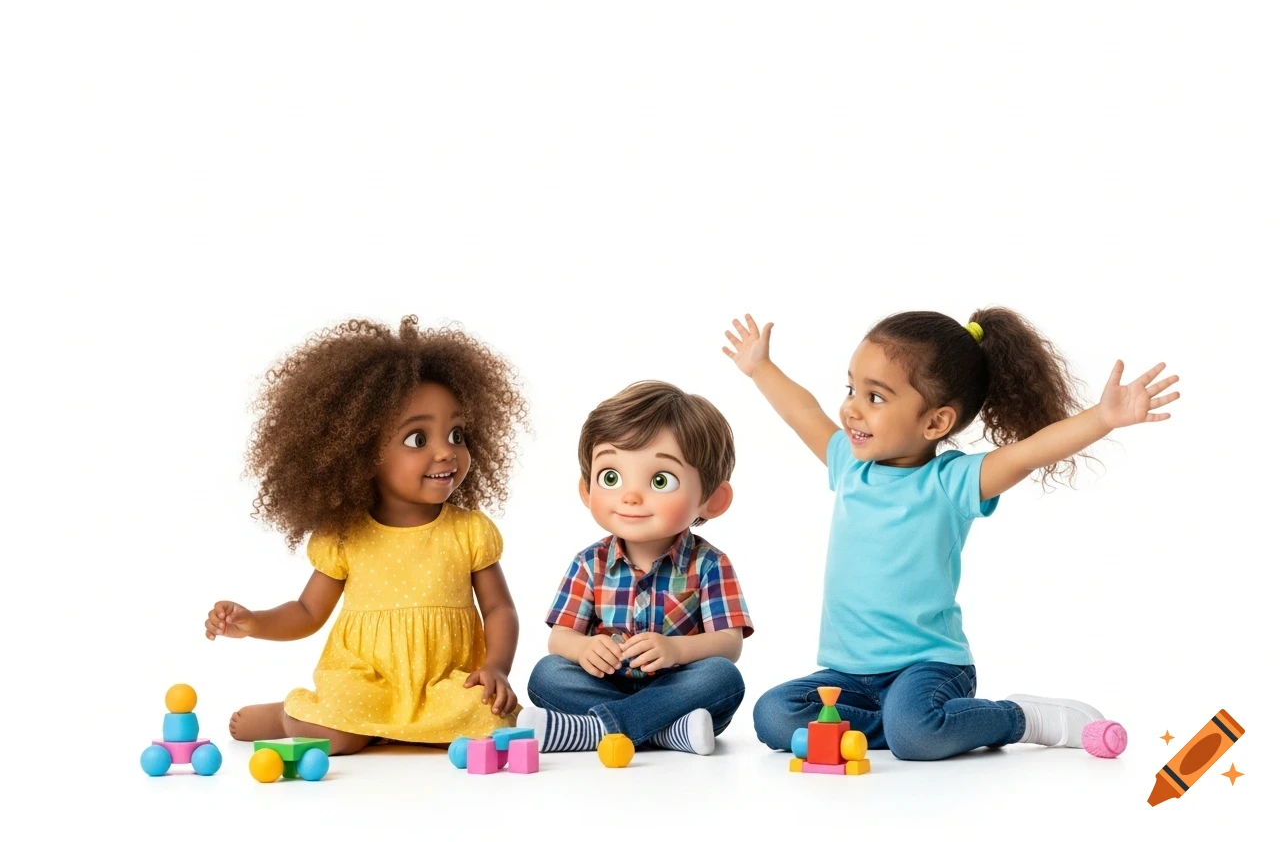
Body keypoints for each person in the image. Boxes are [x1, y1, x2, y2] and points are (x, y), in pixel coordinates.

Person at [724, 310, 1177, 760]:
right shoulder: (849, 464)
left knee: (915, 731)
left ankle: (1018, 717)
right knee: (774, 714)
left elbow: (1026, 455)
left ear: (936, 423)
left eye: (875, 397)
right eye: (851, 389)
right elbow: (803, 410)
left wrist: (1103, 417)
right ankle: (907, 728)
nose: (852, 407)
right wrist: (760, 367)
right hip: (849, 675)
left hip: (929, 666)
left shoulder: (952, 481)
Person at [205, 315, 529, 754]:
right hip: (365, 678)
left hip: (441, 681)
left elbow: (499, 609)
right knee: (339, 736)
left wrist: (496, 668)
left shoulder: (469, 531)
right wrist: (254, 622)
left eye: (456, 433)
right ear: (361, 453)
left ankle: (387, 726)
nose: (445, 451)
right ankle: (286, 715)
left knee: (488, 716)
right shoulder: (347, 536)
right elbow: (306, 611)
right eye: (418, 438)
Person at [518, 381, 753, 755]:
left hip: (677, 689)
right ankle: (668, 734)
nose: (630, 496)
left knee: (722, 678)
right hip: (604, 685)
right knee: (547, 675)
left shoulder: (710, 564)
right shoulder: (589, 563)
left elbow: (728, 643)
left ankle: (594, 730)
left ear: (711, 500)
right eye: (611, 477)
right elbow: (559, 638)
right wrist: (584, 649)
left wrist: (675, 650)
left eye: (660, 480)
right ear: (587, 490)